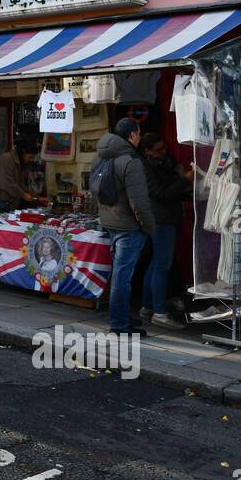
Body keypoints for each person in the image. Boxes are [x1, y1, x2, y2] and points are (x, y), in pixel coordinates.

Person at [95, 118, 157, 336]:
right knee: (122, 278)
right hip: (129, 227)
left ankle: (122, 317)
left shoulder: (102, 156)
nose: (140, 138)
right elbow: (138, 202)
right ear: (132, 135)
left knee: (120, 275)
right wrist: (148, 226)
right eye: (138, 134)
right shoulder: (131, 161)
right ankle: (119, 325)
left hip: (110, 222)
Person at [140, 131, 190, 330]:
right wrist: (185, 180)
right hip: (160, 219)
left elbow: (169, 190)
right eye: (159, 150)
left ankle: (148, 306)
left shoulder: (162, 163)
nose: (163, 152)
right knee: (161, 264)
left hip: (164, 217)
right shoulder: (146, 168)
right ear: (147, 151)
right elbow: (161, 194)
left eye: (164, 148)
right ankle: (159, 312)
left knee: (155, 263)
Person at [0, 141, 44, 284]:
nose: (30, 160)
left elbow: (19, 184)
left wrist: (32, 195)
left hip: (4, 203)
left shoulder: (16, 163)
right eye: (30, 157)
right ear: (23, 152)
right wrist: (24, 195)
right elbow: (7, 183)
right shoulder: (6, 160)